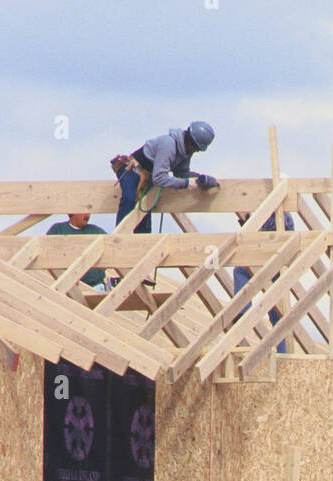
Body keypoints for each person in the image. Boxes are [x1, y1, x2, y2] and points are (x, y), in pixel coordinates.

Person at [111, 122, 219, 234]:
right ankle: (118, 239)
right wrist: (186, 184)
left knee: (144, 211)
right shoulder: (168, 144)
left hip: (148, 177)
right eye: (196, 148)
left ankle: (142, 243)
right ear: (190, 141)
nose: (196, 151)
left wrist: (200, 179)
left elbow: (182, 174)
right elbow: (159, 178)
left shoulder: (185, 151)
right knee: (130, 197)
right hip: (132, 170)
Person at [232, 207, 295, 354]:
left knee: (241, 270)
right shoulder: (271, 212)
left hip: (274, 259)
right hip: (273, 260)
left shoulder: (280, 213)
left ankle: (241, 310)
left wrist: (252, 226)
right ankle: (282, 353)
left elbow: (271, 234)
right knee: (277, 312)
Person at [46, 213, 108, 288]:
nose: (88, 216)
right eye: (84, 212)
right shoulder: (58, 230)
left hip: (96, 286)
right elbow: (47, 255)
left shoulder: (96, 231)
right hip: (67, 286)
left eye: (89, 213)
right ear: (73, 213)